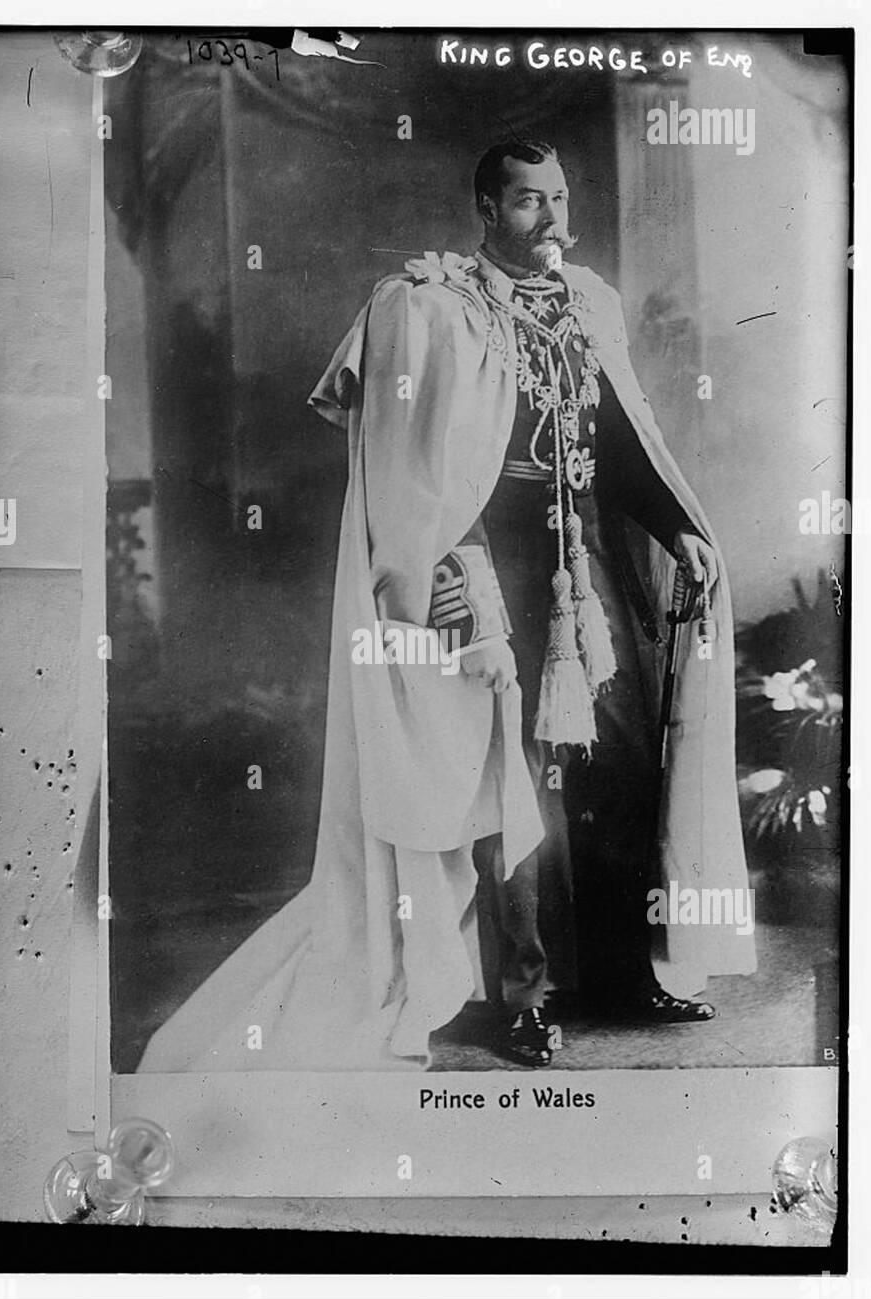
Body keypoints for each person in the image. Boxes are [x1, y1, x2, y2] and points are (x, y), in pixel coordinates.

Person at [138, 140, 756, 1076]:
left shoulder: (589, 303)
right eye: (525, 202)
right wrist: (440, 582)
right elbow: (410, 465)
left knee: (620, 772)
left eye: (556, 197)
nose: (548, 218)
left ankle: (622, 973)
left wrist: (677, 532)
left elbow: (623, 443)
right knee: (504, 790)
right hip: (485, 561)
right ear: (483, 208)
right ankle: (515, 999)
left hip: (584, 568)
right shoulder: (430, 309)